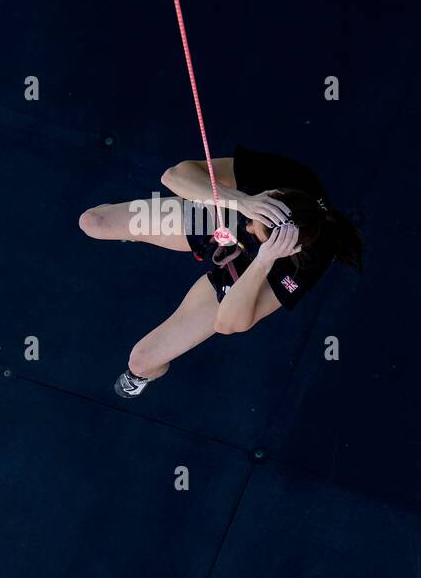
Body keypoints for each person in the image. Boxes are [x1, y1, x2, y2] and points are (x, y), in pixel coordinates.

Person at [79, 145, 363, 397]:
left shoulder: (307, 262)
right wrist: (241, 202)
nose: (252, 229)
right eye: (257, 221)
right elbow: (174, 176)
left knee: (140, 360)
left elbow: (228, 324)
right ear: (273, 194)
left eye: (258, 231)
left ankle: (147, 374)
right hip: (225, 216)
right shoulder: (285, 176)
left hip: (249, 273)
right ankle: (141, 231)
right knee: (94, 222)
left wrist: (264, 260)